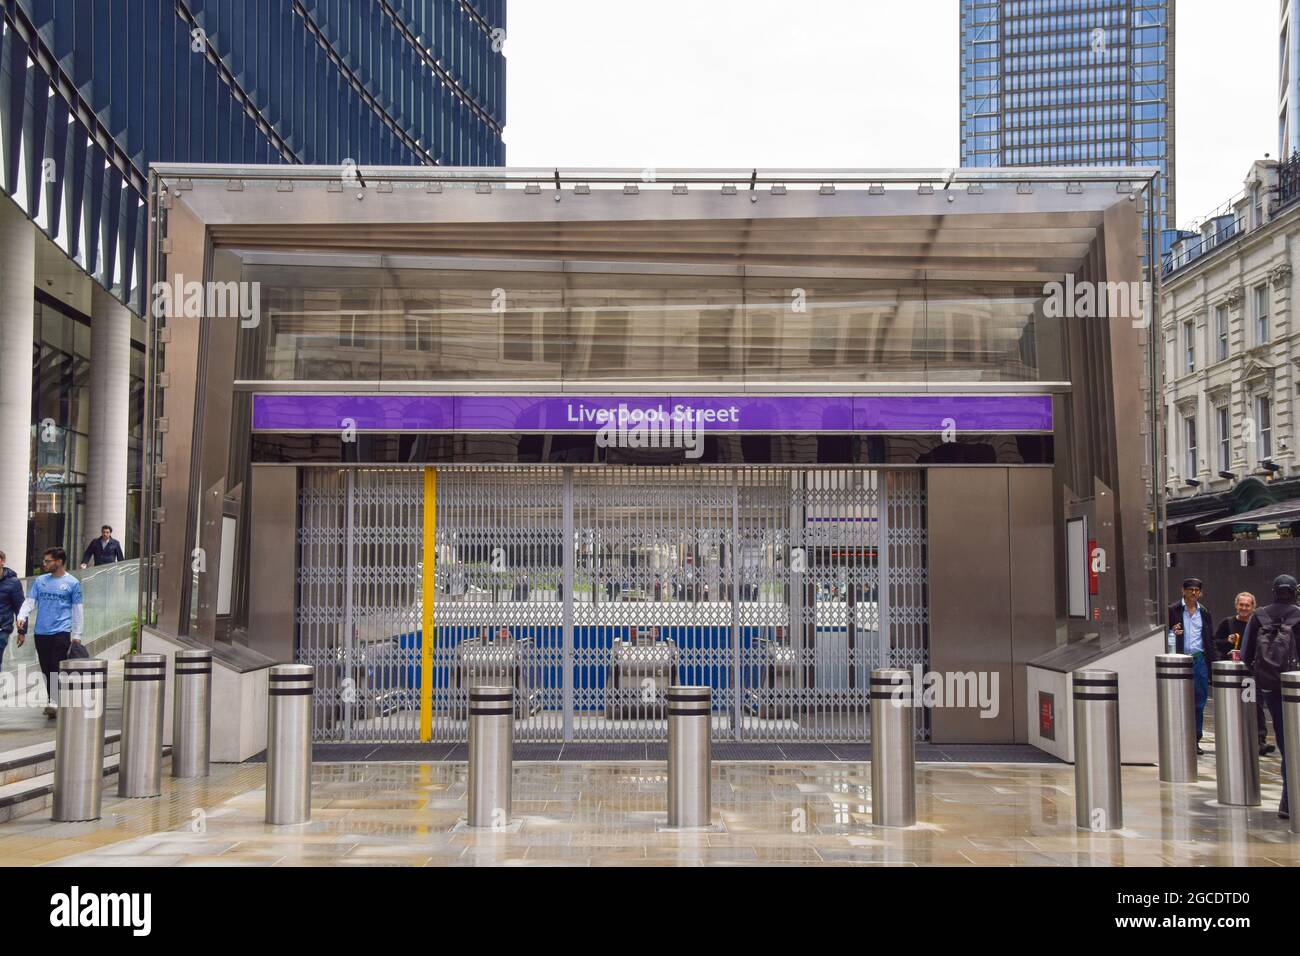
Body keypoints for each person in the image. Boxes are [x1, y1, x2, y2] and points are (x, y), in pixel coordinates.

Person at [1242, 573, 1300, 820]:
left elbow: (1246, 655)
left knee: (1286, 742)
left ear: (1274, 591)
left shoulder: (1259, 616)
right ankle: (1292, 799)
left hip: (1272, 688)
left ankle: (1288, 801)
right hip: (1297, 686)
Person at [15, 548, 84, 718]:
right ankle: (54, 699)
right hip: (41, 632)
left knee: (55, 665)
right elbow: (30, 602)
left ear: (59, 562)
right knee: (46, 667)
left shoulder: (73, 583)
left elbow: (77, 610)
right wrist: (22, 616)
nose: (44, 564)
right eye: (44, 561)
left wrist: (77, 635)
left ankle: (53, 701)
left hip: (61, 631)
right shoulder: (40, 581)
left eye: (48, 561)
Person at [1213, 591, 1276, 756]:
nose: (1244, 608)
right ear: (1236, 605)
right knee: (1233, 705)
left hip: (1254, 670)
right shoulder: (1227, 623)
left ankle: (1260, 740)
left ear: (1253, 607)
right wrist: (1227, 642)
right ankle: (1234, 737)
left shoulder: (1259, 623)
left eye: (1247, 605)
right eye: (1241, 604)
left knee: (1257, 704)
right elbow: (1215, 643)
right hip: (1232, 673)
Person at [1168, 577, 1214, 754]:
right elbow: (1163, 632)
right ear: (1183, 591)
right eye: (1190, 590)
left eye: (1196, 590)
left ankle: (1195, 739)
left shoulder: (1205, 612)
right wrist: (1172, 632)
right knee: (1177, 701)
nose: (1193, 593)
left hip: (1199, 660)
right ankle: (1177, 738)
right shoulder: (1173, 610)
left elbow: (1209, 639)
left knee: (1199, 701)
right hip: (1179, 659)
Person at [0, 550, 24, 672]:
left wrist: (22, 631)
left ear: (2, 561)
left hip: (2, 629)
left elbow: (20, 608)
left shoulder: (13, 582)